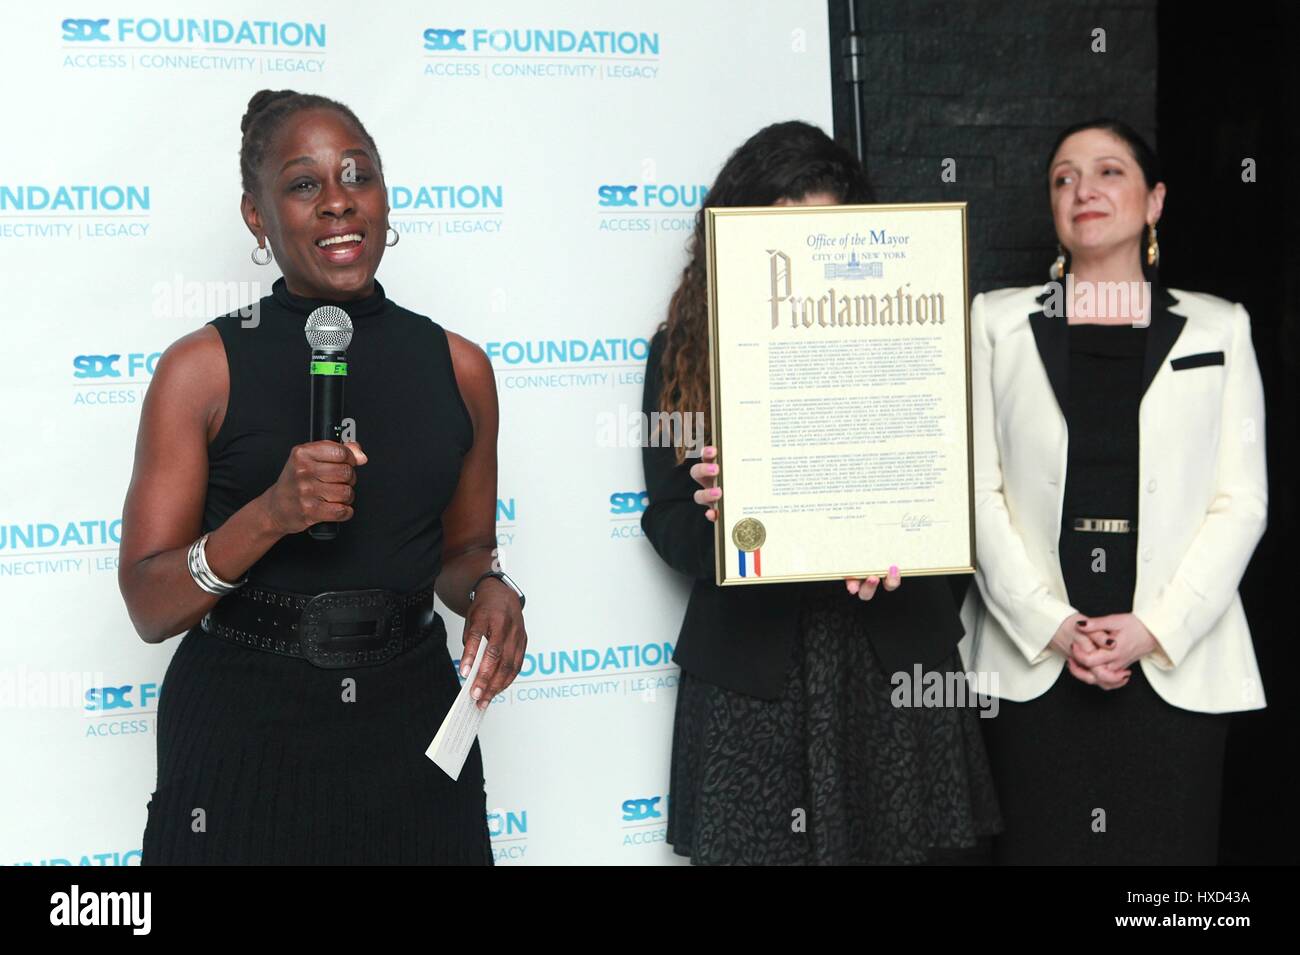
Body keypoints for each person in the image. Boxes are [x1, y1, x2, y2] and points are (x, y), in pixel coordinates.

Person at [119, 89, 527, 864]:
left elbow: (465, 550)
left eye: (357, 175)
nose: (337, 202)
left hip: (412, 730)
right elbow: (148, 602)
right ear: (256, 215)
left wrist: (493, 591)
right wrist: (269, 514)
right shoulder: (200, 371)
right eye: (304, 184)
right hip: (244, 735)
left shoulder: (460, 367)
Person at [641, 120, 1002, 865]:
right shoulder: (682, 350)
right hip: (751, 673)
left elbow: (957, 497)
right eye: (782, 240)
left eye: (823, 237)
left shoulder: (917, 341)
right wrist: (729, 525)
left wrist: (908, 539)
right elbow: (666, 517)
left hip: (894, 658)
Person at [959, 118, 1268, 864]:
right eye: (1063, 178)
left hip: (1175, 664)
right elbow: (975, 492)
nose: (1083, 190)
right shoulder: (995, 321)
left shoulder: (1220, 328)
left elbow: (1242, 502)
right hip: (1034, 665)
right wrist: (1056, 625)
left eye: (1108, 172)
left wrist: (1156, 627)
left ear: (1154, 201)